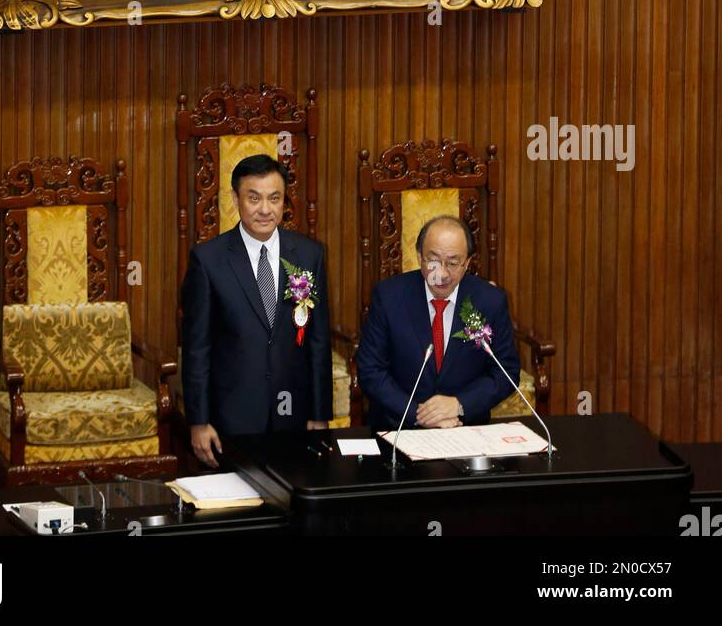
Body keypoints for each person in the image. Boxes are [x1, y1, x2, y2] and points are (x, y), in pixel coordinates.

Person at [180, 154, 332, 467]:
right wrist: (199, 421)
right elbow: (197, 348)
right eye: (254, 198)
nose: (265, 209)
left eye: (274, 198)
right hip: (232, 418)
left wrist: (319, 415)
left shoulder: (309, 254)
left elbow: (318, 342)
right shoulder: (208, 261)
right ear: (236, 199)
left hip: (293, 413)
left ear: (284, 201)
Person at [356, 215, 520, 429]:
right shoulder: (388, 297)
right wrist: (419, 413)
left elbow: (505, 372)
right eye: (433, 261)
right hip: (399, 427)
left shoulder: (490, 301)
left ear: (467, 263)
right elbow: (370, 370)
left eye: (452, 263)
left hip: (466, 429)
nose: (441, 274)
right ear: (419, 257)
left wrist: (460, 404)